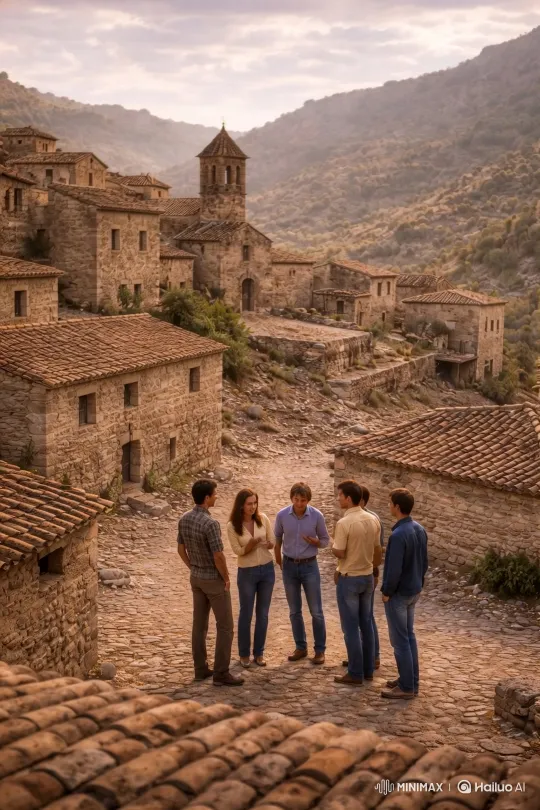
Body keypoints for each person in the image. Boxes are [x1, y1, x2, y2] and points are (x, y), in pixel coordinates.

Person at [177, 478, 243, 687]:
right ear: (206, 498)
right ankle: (221, 673)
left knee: (199, 626)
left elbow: (181, 549)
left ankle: (200, 669)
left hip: (196, 578)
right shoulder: (211, 523)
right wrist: (226, 578)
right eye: (215, 494)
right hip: (213, 580)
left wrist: (193, 567)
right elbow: (218, 556)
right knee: (225, 627)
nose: (217, 496)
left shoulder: (184, 518)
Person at [332, 480, 382, 686]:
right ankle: (368, 669)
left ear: (349, 499)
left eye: (340, 495)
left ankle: (354, 672)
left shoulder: (344, 523)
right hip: (367, 576)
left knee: (350, 627)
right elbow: (378, 550)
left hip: (349, 578)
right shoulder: (373, 520)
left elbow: (340, 551)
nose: (338, 498)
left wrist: (334, 549)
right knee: (366, 623)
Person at [274, 482, 330, 664]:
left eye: (303, 500)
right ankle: (300, 647)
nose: (299, 504)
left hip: (309, 566)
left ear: (308, 500)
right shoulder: (282, 515)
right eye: (296, 500)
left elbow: (325, 541)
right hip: (289, 566)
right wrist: (279, 562)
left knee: (316, 611)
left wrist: (315, 542)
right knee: (294, 611)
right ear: (291, 498)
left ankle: (320, 650)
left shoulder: (317, 516)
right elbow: (277, 539)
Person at [381, 488, 428, 700]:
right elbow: (424, 562)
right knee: (409, 637)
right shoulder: (420, 529)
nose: (388, 506)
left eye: (390, 503)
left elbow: (394, 569)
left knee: (400, 640)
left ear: (397, 507)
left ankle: (407, 686)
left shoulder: (399, 535)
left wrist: (386, 592)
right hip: (414, 589)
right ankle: (410, 680)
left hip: (399, 594)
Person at [227, 488, 275, 668]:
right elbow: (237, 551)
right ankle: (244, 654)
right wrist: (252, 545)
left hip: (267, 570)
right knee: (246, 613)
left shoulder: (263, 519)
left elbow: (272, 541)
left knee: (262, 614)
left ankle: (259, 653)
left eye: (255, 503)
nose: (253, 507)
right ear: (241, 505)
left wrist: (268, 544)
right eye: (249, 504)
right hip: (247, 572)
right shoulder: (232, 526)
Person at [342, 485, 384, 670]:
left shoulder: (355, 521)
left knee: (359, 621)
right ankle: (364, 659)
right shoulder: (371, 519)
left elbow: (376, 551)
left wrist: (374, 571)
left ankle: (365, 661)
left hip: (356, 576)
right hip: (366, 574)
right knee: (365, 619)